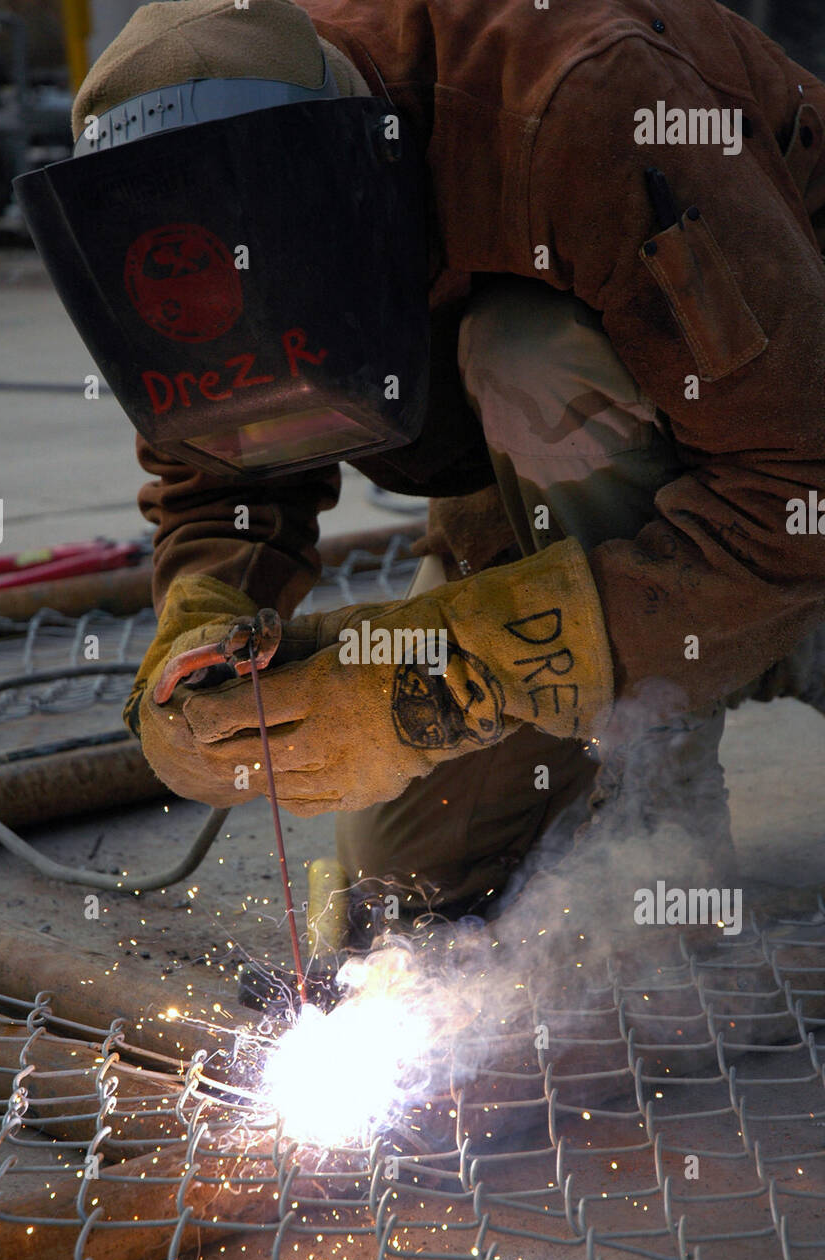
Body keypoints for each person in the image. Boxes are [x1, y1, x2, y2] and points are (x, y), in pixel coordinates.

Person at [52, 0, 825, 920]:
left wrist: (458, 672)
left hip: (780, 436)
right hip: (553, 482)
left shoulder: (579, 106)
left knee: (526, 351)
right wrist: (203, 621)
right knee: (406, 885)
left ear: (364, 178)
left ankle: (667, 784)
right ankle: (679, 649)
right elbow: (215, 474)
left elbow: (792, 487)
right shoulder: (194, 222)